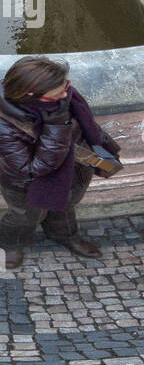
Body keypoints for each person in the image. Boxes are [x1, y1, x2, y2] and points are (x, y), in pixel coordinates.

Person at [1, 56, 112, 265]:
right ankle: (9, 244)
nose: (65, 94)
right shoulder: (6, 125)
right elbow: (31, 169)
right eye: (57, 94)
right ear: (31, 95)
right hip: (25, 183)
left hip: (73, 167)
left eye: (66, 86)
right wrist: (56, 127)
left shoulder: (61, 99)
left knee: (65, 204)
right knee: (25, 215)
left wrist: (104, 149)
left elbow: (88, 126)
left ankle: (65, 236)